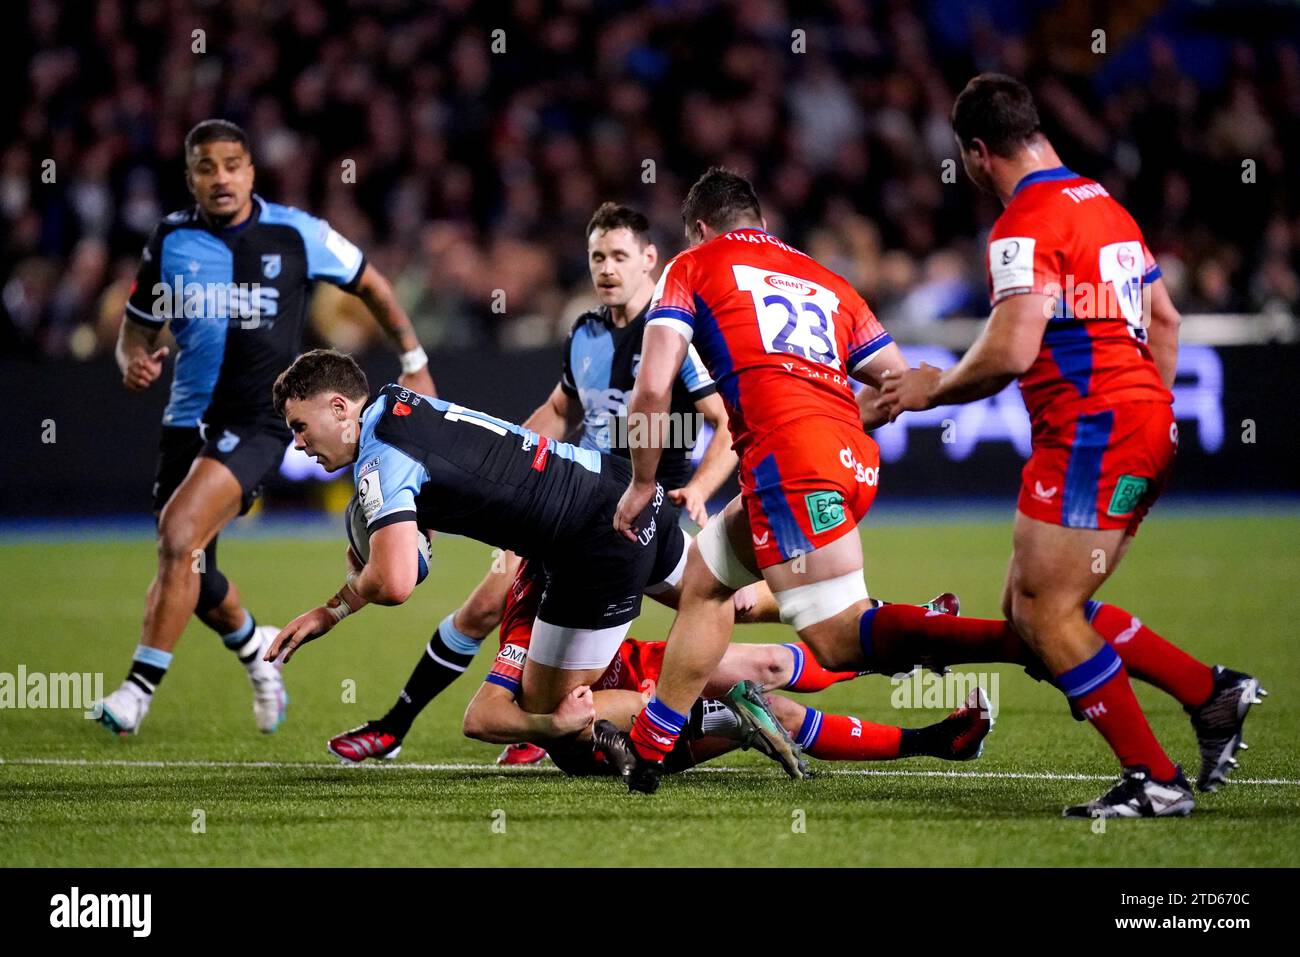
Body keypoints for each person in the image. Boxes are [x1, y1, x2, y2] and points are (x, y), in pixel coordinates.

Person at [876, 74, 1264, 817]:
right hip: (1144, 422)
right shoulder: (1104, 205)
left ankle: (1156, 778)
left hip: (1093, 430)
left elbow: (1014, 349)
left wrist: (934, 388)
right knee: (1036, 610)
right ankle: (1209, 692)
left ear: (979, 153)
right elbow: (1168, 318)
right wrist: (1150, 409)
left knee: (1045, 611)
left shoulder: (1023, 224)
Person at [326, 203, 738, 764]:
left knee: (735, 602)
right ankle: (397, 727)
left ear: (649, 261)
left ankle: (843, 637)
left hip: (642, 516)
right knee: (481, 608)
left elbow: (725, 423)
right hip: (571, 508)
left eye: (620, 256)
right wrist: (500, 468)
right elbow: (555, 411)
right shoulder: (586, 334)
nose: (607, 268)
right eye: (597, 256)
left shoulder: (669, 339)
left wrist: (702, 486)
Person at [96, 119, 434, 737]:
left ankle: (136, 692)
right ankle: (259, 656)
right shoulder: (170, 240)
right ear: (191, 176)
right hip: (184, 425)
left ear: (251, 170)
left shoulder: (295, 233)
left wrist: (413, 359)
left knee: (178, 534)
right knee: (194, 572)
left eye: (232, 164)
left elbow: (371, 282)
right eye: (206, 166)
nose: (220, 177)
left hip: (258, 423)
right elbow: (135, 329)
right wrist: (131, 362)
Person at [266, 350, 687, 723]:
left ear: (340, 407)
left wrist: (333, 609)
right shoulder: (397, 402)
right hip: (617, 484)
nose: (299, 444)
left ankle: (716, 716)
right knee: (728, 600)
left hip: (590, 542)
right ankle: (756, 670)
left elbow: (395, 583)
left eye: (300, 426)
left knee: (545, 710)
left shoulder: (380, 456)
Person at [461, 559, 993, 777]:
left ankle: (904, 648)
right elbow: (478, 718)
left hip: (627, 665)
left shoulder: (606, 547)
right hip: (598, 737)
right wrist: (549, 727)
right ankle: (938, 740)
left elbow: (715, 593)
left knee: (769, 661)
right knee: (773, 711)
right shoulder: (531, 617)